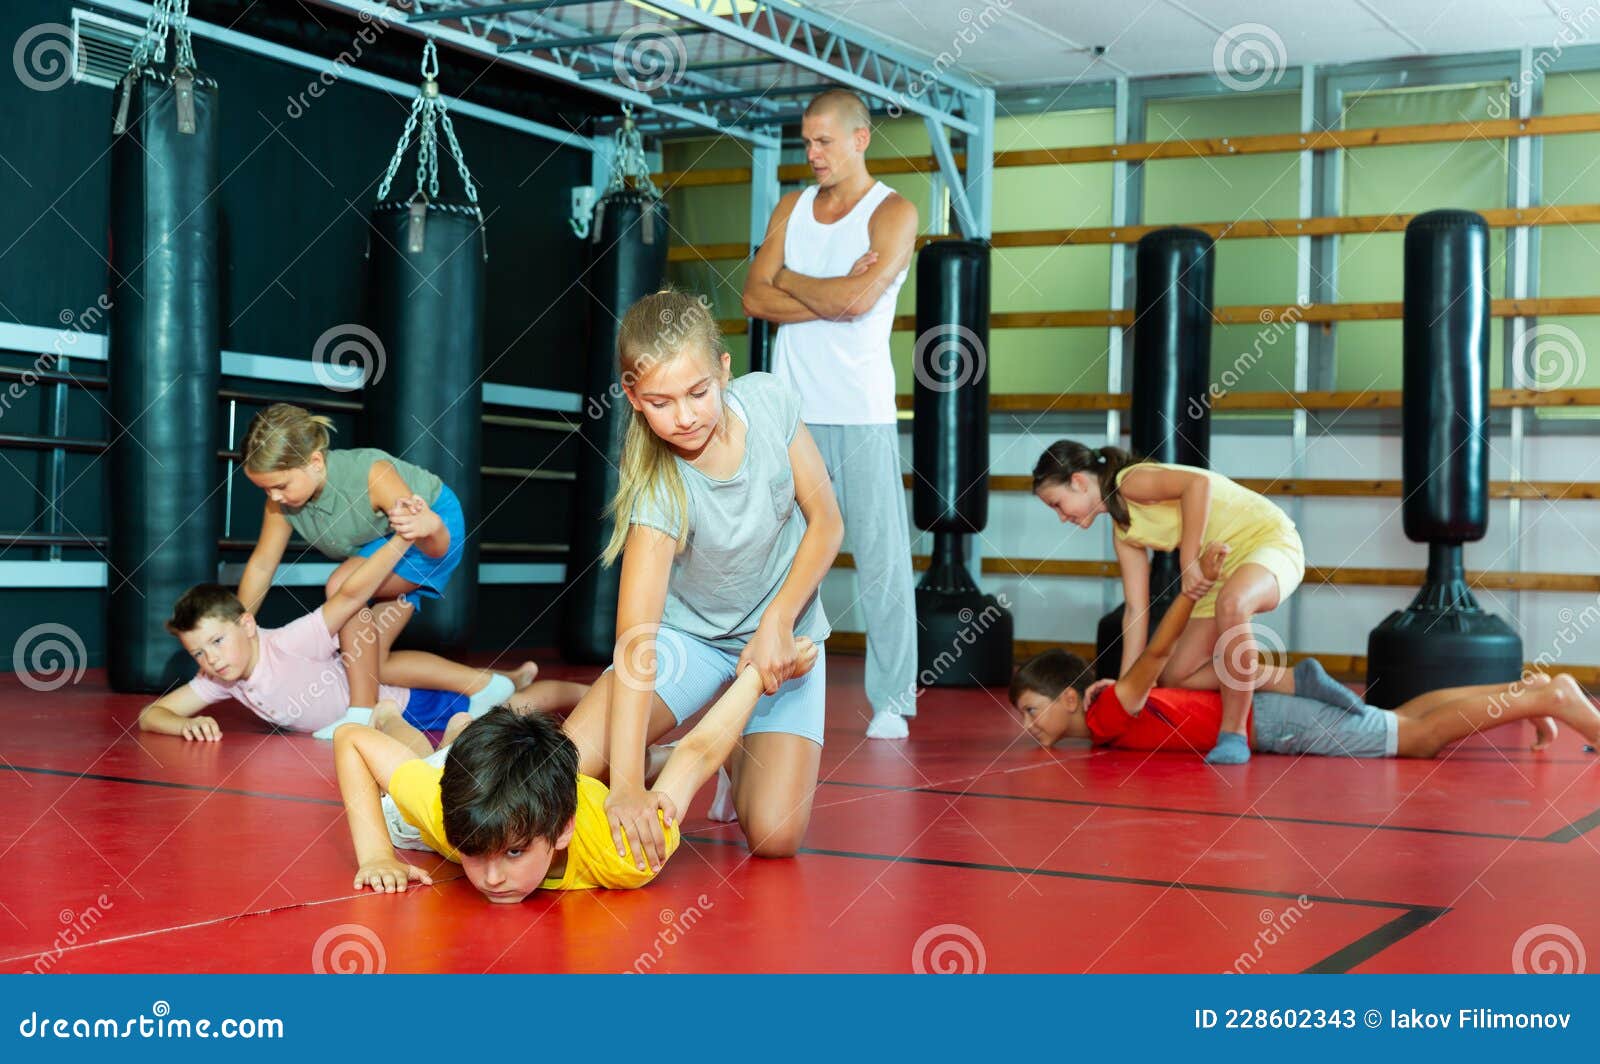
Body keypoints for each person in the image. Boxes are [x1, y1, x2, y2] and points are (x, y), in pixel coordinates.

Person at [563, 288, 842, 872]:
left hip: (782, 630)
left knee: (775, 837)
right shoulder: (657, 491)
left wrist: (778, 620)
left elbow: (827, 524)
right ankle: (659, 754)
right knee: (564, 770)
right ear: (635, 399)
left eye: (697, 393)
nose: (685, 416)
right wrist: (629, 785)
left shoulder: (769, 402)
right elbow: (638, 635)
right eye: (662, 402)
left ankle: (734, 753)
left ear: (724, 369)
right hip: (690, 641)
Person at [334, 641, 818, 901]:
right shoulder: (443, 812)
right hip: (451, 781)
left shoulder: (626, 851)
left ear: (563, 830)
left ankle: (460, 728)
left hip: (541, 783)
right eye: (475, 855)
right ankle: (394, 716)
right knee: (416, 769)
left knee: (448, 746)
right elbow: (351, 739)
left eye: (515, 852)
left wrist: (759, 674)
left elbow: (695, 755)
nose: (491, 878)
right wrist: (376, 855)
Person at [1009, 545, 1590, 759]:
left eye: (1033, 710)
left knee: (1415, 739)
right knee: (1406, 717)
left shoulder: (1106, 713)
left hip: (1276, 722)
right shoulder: (1104, 708)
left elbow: (1156, 656)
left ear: (1068, 697)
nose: (1028, 725)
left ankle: (1556, 696)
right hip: (1270, 710)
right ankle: (1526, 694)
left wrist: (1191, 591)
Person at [741, 88, 920, 740]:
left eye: (823, 141)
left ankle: (893, 700)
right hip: (792, 411)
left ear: (859, 139)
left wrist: (788, 278)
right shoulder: (791, 207)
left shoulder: (893, 212)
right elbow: (754, 297)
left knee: (881, 557)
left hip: (862, 410)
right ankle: (764, 682)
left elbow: (857, 301)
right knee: (780, 555)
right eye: (806, 141)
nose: (812, 153)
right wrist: (822, 287)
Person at [139, 530, 583, 749]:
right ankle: (507, 676)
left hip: (407, 703)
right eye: (198, 651)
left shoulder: (290, 642)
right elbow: (152, 714)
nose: (210, 659)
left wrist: (398, 545)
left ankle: (593, 691)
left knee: (509, 711)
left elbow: (350, 598)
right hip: (396, 715)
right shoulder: (222, 679)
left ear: (248, 624)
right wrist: (183, 723)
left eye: (217, 641)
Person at [1032, 440, 1307, 764]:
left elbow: (1198, 484)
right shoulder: (1123, 532)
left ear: (1078, 482)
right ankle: (1297, 681)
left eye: (1057, 504)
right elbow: (1136, 610)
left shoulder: (1129, 481)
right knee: (1177, 675)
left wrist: (1188, 560)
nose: (1062, 517)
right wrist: (1124, 687)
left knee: (1232, 604)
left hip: (1265, 542)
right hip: (1218, 570)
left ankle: (1233, 733)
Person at [236, 402, 471, 734]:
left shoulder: (373, 474)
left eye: (281, 485)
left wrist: (429, 528)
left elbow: (437, 548)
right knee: (374, 661)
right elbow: (262, 565)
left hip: (433, 532)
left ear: (315, 462)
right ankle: (491, 684)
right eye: (265, 489)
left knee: (342, 586)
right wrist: (236, 625)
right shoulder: (280, 504)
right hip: (387, 544)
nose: (274, 495)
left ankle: (361, 715)